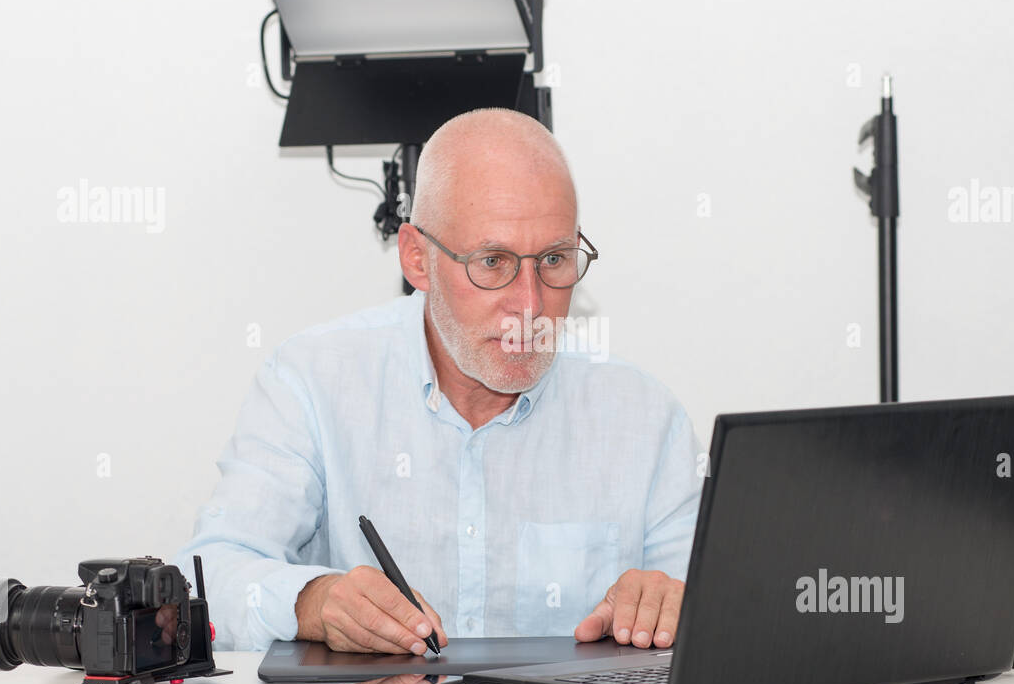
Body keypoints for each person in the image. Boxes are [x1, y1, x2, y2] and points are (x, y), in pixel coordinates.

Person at [175, 107, 702, 653]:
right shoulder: (311, 383)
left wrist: (675, 604)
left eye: (553, 258)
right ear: (417, 259)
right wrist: (312, 601)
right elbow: (208, 574)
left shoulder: (643, 419)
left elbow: (712, 611)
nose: (530, 305)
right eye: (493, 262)